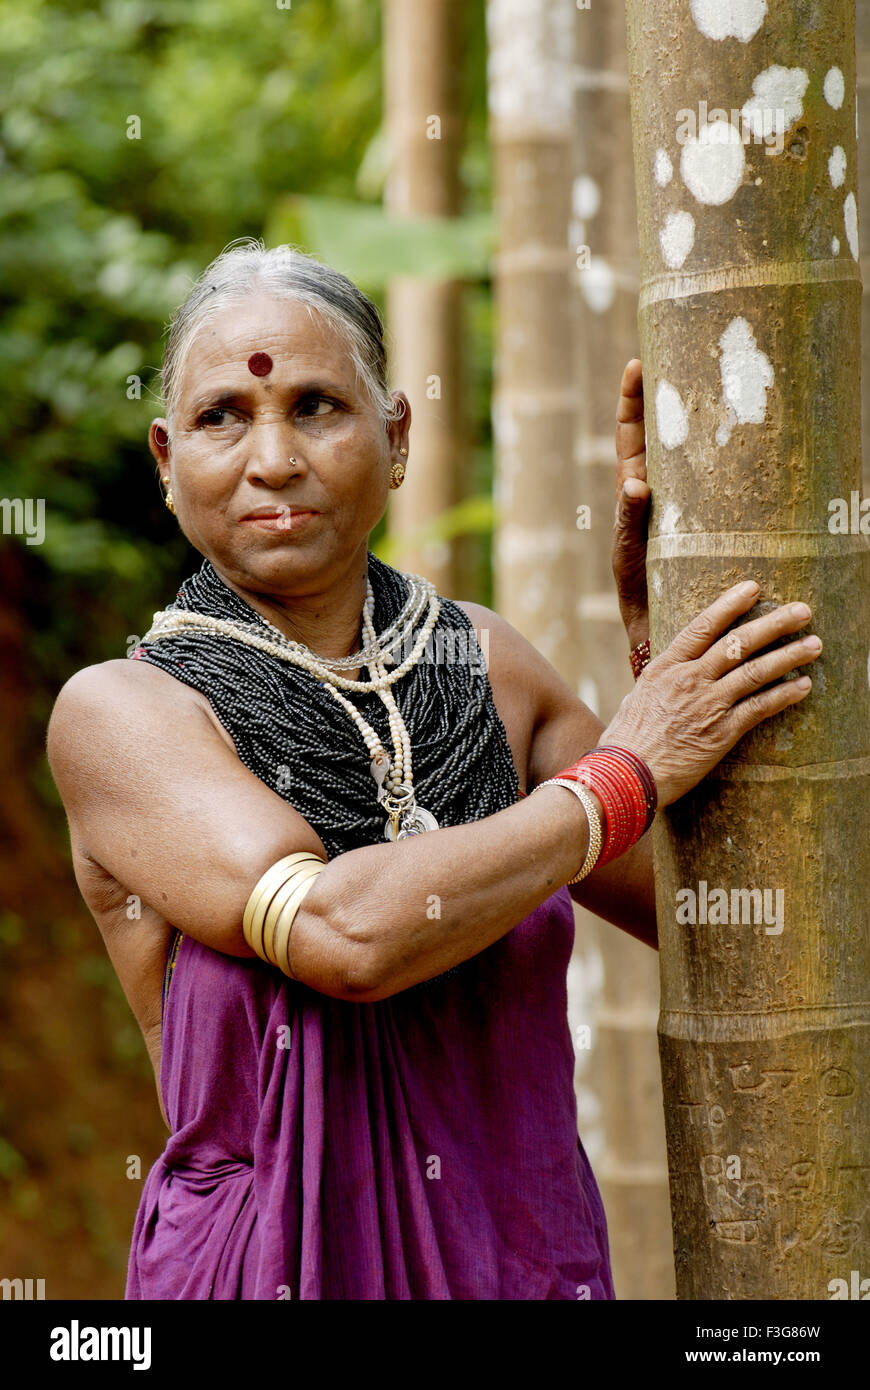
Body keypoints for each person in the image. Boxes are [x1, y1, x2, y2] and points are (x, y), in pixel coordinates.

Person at [46, 240, 822, 1300]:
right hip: (271, 1267)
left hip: (519, 1261)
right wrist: (628, 764)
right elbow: (342, 935)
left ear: (397, 435)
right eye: (222, 415)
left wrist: (667, 656)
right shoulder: (124, 714)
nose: (272, 457)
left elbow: (711, 915)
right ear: (166, 459)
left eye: (317, 405)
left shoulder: (488, 668)